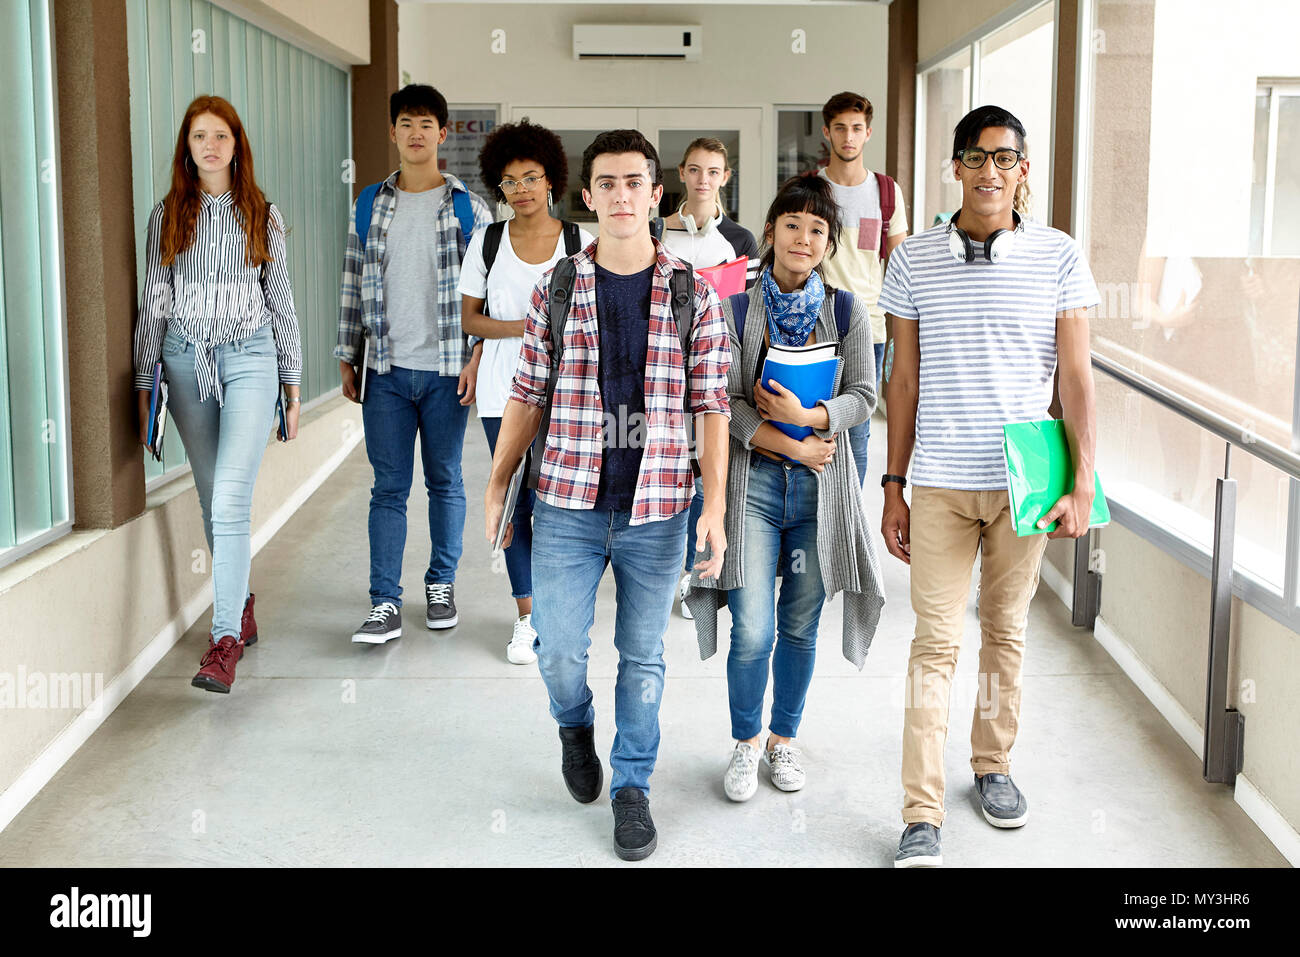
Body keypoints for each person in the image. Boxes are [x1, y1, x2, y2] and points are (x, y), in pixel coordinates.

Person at [483, 129, 731, 861]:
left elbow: (712, 407)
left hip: (658, 508)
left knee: (643, 653)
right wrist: (498, 482)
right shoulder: (557, 288)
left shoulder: (693, 295)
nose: (622, 195)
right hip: (566, 502)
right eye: (608, 183)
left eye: (636, 182)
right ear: (586, 197)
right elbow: (527, 393)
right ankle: (573, 724)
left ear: (658, 195)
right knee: (558, 649)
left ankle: (631, 786)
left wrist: (713, 507)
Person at [878, 106, 1099, 867]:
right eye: (975, 157)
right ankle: (920, 812)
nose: (990, 172)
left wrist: (1083, 479)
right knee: (933, 645)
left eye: (1005, 159)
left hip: (1026, 484)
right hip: (939, 479)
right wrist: (893, 484)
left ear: (1023, 170)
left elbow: (1074, 377)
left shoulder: (1059, 255)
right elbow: (901, 379)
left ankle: (993, 765)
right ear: (956, 168)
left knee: (1005, 635)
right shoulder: (910, 259)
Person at [683, 173, 885, 801]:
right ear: (768, 233)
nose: (803, 238)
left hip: (822, 492)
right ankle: (745, 743)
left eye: (817, 230)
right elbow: (723, 402)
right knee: (753, 629)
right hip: (754, 485)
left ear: (831, 243)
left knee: (799, 626)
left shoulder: (848, 311)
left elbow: (864, 396)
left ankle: (783, 741)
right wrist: (789, 439)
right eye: (791, 225)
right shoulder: (735, 308)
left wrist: (813, 418)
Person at [132, 94, 302, 694]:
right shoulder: (166, 216)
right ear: (187, 146)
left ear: (237, 145)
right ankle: (243, 603)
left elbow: (280, 298)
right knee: (212, 496)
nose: (211, 146)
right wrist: (145, 383)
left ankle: (223, 638)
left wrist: (292, 379)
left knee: (231, 495)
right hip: (183, 361)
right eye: (200, 136)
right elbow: (153, 302)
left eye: (221, 136)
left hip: (251, 357)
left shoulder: (262, 213)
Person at [335, 84, 493, 644]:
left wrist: (478, 356)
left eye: (427, 123)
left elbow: (488, 292)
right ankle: (384, 603)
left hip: (449, 368)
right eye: (407, 123)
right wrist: (346, 354)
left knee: (446, 480)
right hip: (386, 369)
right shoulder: (369, 202)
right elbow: (353, 279)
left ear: (443, 133)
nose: (417, 132)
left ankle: (441, 583)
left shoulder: (470, 207)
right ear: (393, 132)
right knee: (388, 488)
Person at [458, 119, 594, 664]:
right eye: (510, 181)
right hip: (502, 391)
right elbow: (471, 317)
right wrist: (527, 328)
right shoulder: (486, 241)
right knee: (513, 501)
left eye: (531, 177)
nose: (521, 190)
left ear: (551, 180)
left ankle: (561, 610)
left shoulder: (581, 241)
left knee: (560, 504)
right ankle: (527, 617)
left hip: (569, 394)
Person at [658, 137, 760, 621]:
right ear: (682, 172)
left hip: (715, 367)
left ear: (725, 176)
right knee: (669, 467)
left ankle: (699, 573)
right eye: (695, 169)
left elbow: (748, 307)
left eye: (713, 171)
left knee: (709, 473)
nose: (704, 179)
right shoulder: (657, 230)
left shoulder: (740, 240)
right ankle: (668, 569)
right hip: (661, 370)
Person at [816, 92, 909, 488]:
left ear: (868, 133)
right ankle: (814, 517)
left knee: (857, 430)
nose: (848, 137)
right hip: (811, 325)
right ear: (827, 133)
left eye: (856, 128)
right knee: (811, 422)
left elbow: (903, 266)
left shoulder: (887, 192)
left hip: (868, 329)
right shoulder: (810, 189)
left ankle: (848, 518)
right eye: (840, 128)